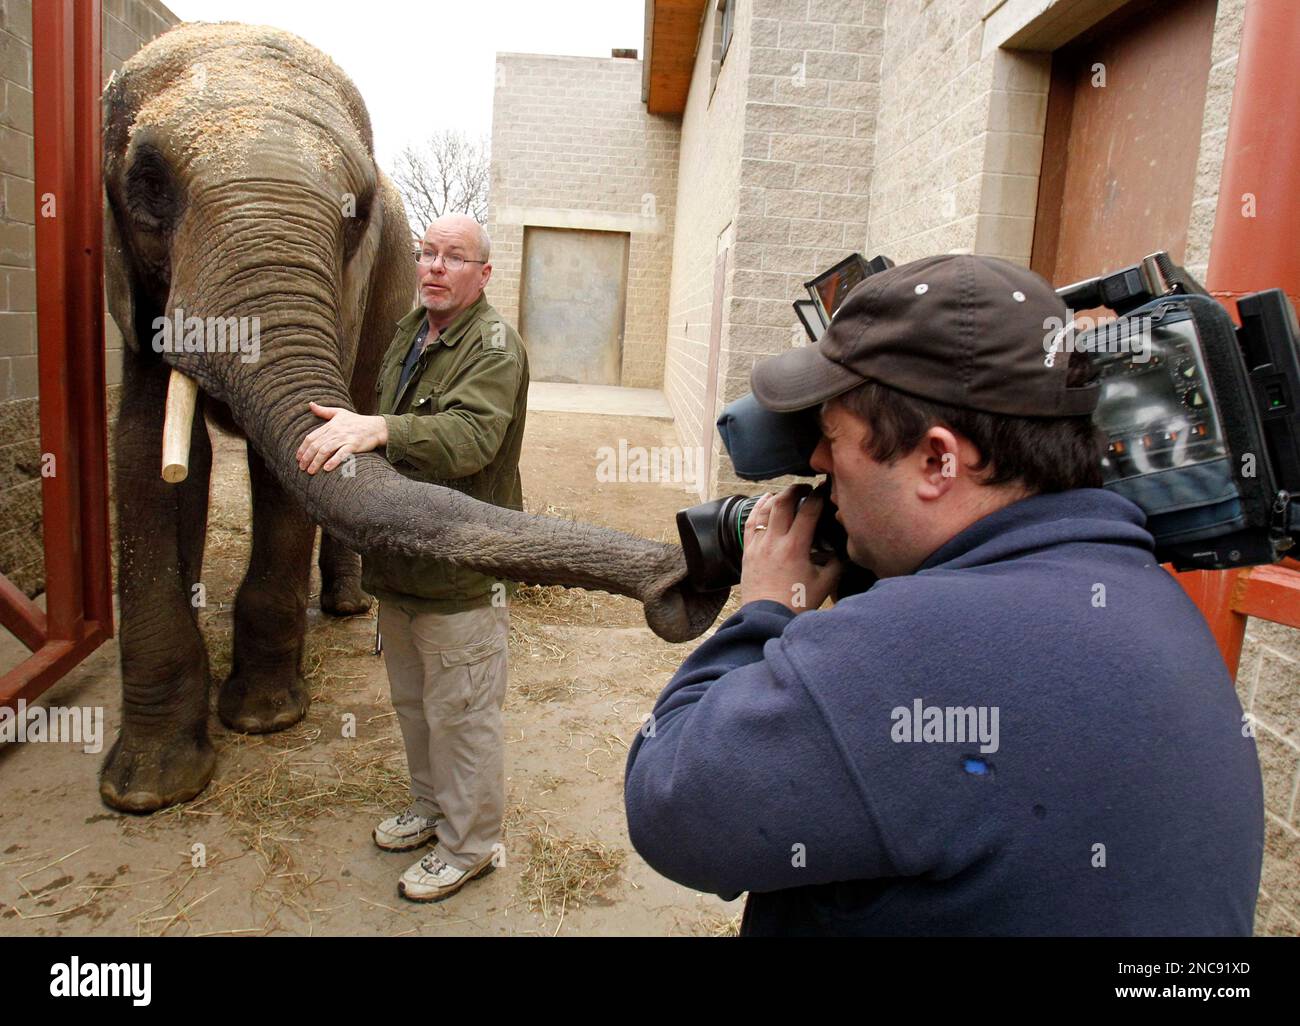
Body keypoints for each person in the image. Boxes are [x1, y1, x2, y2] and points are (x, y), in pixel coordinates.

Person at [623, 254, 1265, 935]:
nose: (815, 463)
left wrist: (767, 611)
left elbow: (669, 801)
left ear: (937, 461)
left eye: (833, 436)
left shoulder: (913, 649)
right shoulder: (1158, 608)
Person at [296, 213, 529, 902]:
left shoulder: (493, 345)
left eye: (453, 257)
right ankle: (432, 810)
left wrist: (380, 429)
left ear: (483, 274)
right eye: (427, 253)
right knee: (417, 705)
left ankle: (471, 845)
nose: (433, 266)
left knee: (463, 713)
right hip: (402, 562)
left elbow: (470, 439)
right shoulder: (410, 328)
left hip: (460, 567)